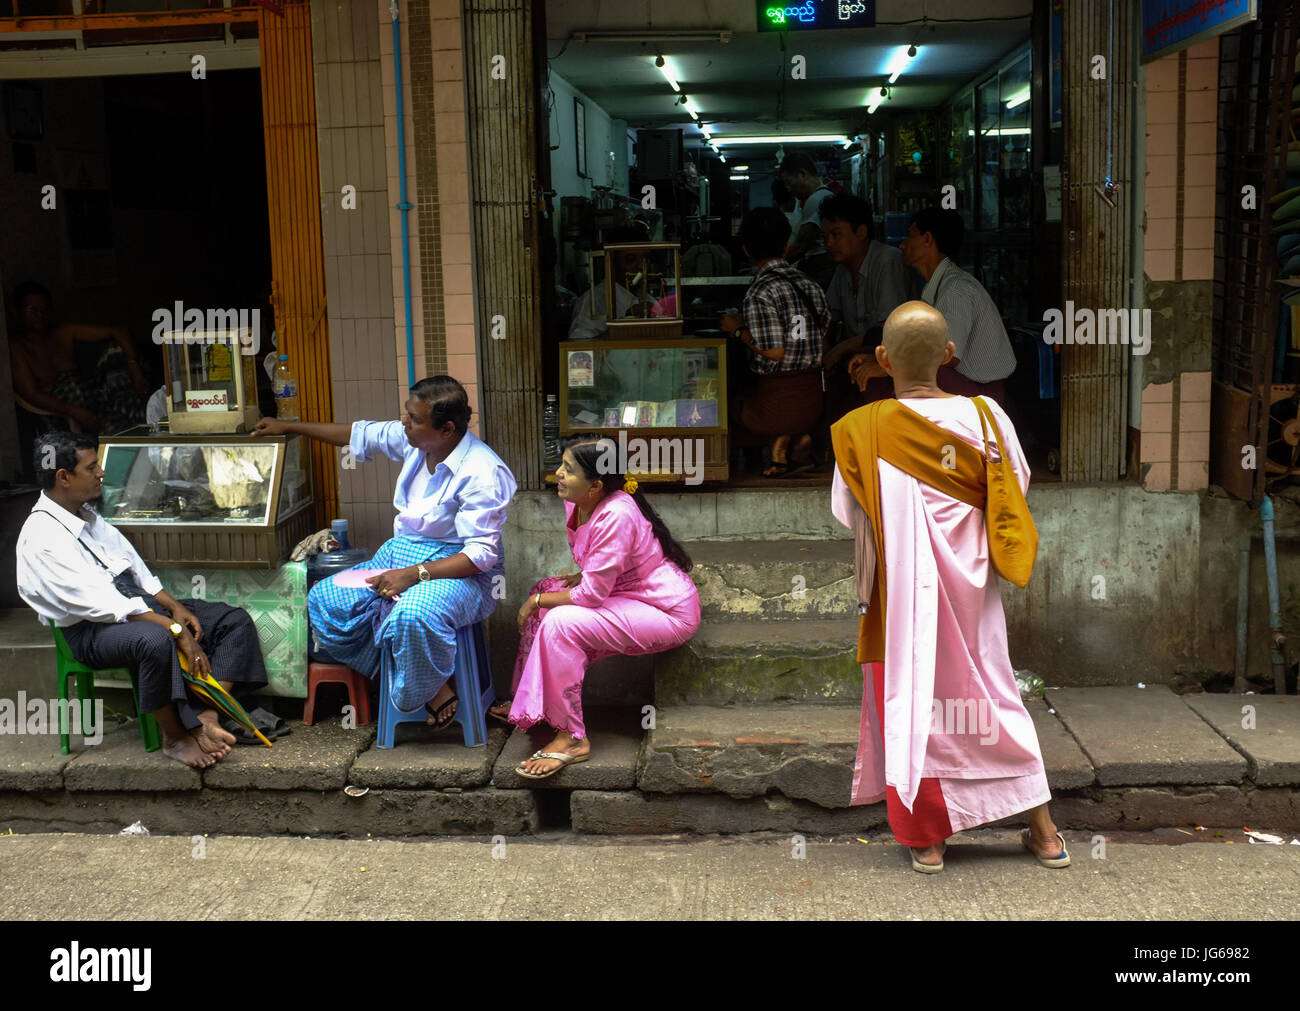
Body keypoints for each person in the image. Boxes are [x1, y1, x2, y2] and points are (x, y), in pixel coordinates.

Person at [829, 301, 1067, 873]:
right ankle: (1044, 831)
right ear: (950, 355)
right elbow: (1015, 489)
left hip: (902, 602)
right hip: (976, 595)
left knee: (914, 701)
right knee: (993, 696)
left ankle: (929, 842)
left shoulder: (861, 429)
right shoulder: (987, 417)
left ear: (882, 359)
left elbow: (849, 511)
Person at [255, 376, 517, 730]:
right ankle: (432, 684)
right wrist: (287, 425)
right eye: (406, 414)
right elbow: (357, 434)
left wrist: (411, 576)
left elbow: (479, 557)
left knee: (413, 613)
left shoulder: (482, 473)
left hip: (461, 571)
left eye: (413, 418)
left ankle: (418, 685)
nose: (403, 423)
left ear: (447, 429)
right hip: (401, 553)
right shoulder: (417, 439)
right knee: (325, 598)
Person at [15, 432, 273, 769]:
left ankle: (206, 714)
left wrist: (175, 607)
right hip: (90, 629)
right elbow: (103, 606)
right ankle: (176, 737)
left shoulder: (86, 514)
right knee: (155, 639)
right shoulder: (42, 536)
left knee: (231, 621)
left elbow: (133, 566)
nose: (101, 473)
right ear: (64, 477)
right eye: (92, 467)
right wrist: (175, 628)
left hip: (133, 606)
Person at [490, 439, 700, 778]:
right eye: (561, 464)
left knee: (558, 620)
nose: (558, 474)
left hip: (665, 610)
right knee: (545, 589)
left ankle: (572, 737)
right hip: (626, 595)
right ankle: (530, 703)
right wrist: (546, 594)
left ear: (596, 485)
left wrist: (538, 603)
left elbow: (590, 596)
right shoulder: (579, 502)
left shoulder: (617, 514)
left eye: (569, 470)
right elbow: (598, 570)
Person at [720, 207, 830, 476]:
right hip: (813, 401)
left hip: (774, 407)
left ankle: (747, 462)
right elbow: (823, 335)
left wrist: (737, 331)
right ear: (787, 245)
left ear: (746, 250)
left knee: (724, 399)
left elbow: (774, 351)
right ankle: (792, 440)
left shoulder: (760, 291)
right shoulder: (809, 284)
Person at [900, 208, 1017, 403]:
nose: (903, 245)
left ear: (928, 239)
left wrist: (890, 365)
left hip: (983, 395)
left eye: (910, 236)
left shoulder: (955, 290)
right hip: (971, 387)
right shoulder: (940, 285)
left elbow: (948, 356)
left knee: (915, 374)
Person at [8, 281, 150, 434]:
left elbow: (119, 332)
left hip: (95, 397)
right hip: (65, 411)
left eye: (45, 309)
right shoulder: (16, 347)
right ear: (18, 313)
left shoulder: (63, 332)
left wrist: (135, 370)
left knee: (115, 350)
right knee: (117, 432)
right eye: (33, 310)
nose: (40, 315)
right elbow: (31, 394)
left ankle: (139, 415)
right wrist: (75, 412)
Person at [819, 194, 910, 414]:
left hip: (891, 363)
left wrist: (840, 349)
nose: (829, 243)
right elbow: (829, 317)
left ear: (861, 232)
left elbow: (888, 327)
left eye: (836, 234)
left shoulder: (888, 261)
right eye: (825, 236)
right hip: (855, 360)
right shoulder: (842, 271)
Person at [568, 225, 653, 339]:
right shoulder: (593, 302)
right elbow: (579, 351)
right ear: (612, 262)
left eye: (644, 259)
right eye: (630, 259)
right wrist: (624, 327)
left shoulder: (647, 299)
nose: (640, 266)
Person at [777, 152, 837, 287]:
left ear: (802, 174)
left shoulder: (816, 200)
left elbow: (801, 245)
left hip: (821, 267)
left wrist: (771, 267)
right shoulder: (826, 195)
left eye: (788, 182)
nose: (788, 189)